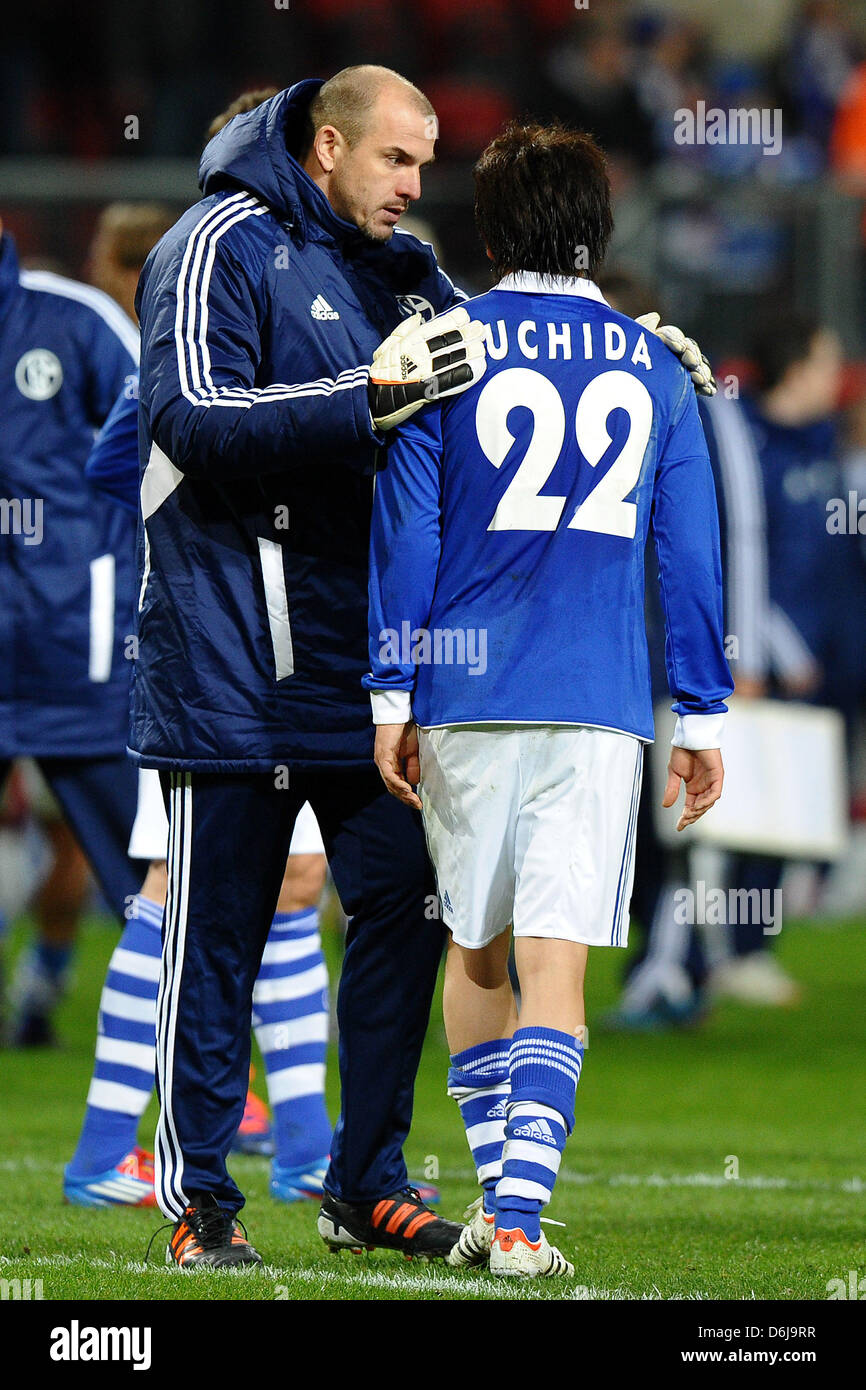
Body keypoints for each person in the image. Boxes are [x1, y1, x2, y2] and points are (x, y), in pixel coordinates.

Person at [132, 67, 487, 1268]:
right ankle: (199, 1204)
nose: (414, 187)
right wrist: (368, 394)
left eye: (425, 165)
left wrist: (623, 360)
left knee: (406, 898)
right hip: (227, 658)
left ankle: (365, 1180)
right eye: (396, 160)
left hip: (356, 669)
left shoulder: (397, 263)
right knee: (218, 934)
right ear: (327, 144)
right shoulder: (209, 243)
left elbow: (483, 364)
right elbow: (190, 418)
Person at [367, 121, 732, 1277]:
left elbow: (408, 532)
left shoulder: (442, 346)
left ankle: (494, 1200)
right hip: (596, 698)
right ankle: (518, 1216)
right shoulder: (654, 360)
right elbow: (689, 550)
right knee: (555, 960)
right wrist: (703, 711)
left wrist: (389, 687)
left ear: (488, 224)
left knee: (471, 950)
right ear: (599, 223)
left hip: (466, 691)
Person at [0, 213, 146, 1043]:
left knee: (150, 884)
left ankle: (215, 1094)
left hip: (81, 655)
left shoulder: (76, 321)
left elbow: (163, 454)